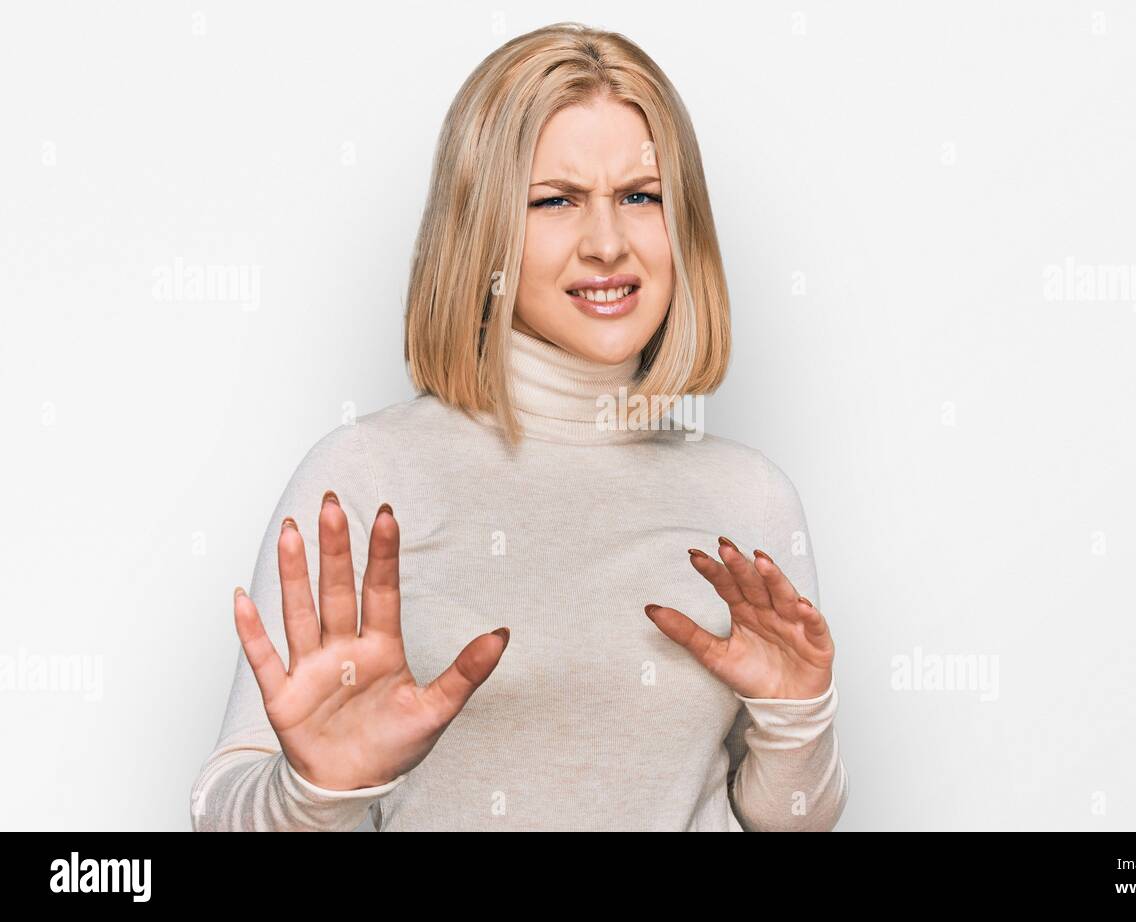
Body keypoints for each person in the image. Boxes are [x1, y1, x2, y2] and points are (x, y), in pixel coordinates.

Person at [190, 21, 848, 832]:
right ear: (482, 231)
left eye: (641, 196)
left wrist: (798, 718)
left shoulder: (751, 495)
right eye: (556, 201)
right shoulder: (367, 473)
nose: (608, 243)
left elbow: (793, 822)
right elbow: (223, 814)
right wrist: (312, 793)